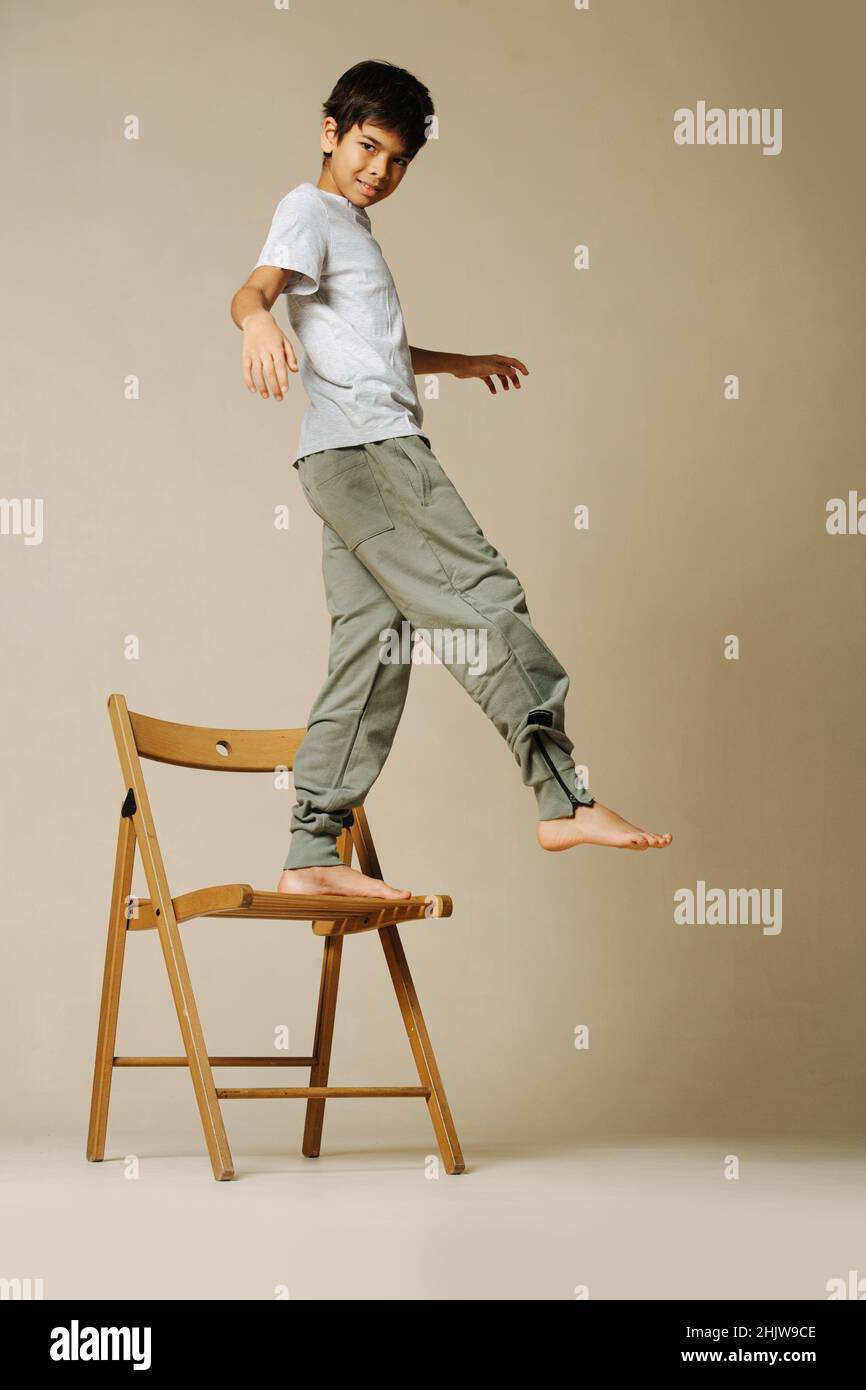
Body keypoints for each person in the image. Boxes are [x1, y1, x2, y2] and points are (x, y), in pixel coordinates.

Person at [230, 59, 672, 902]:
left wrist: (454, 363)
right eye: (367, 147)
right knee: (486, 594)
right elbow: (253, 291)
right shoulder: (309, 209)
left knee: (373, 652)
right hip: (373, 455)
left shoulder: (353, 227)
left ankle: (310, 850)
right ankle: (562, 796)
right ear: (331, 134)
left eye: (398, 161)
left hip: (340, 459)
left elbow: (361, 344)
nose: (378, 171)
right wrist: (254, 324)